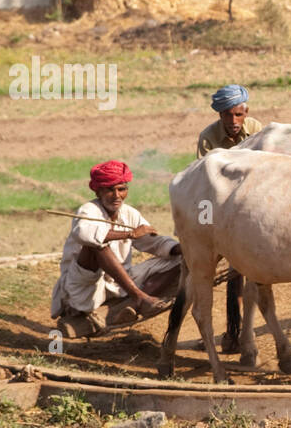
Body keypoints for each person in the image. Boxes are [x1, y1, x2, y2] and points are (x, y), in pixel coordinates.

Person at [51, 160, 183, 339]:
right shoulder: (88, 210)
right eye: (109, 190)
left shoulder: (130, 213)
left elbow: (155, 243)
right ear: (98, 191)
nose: (116, 195)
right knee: (97, 246)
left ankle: (129, 306)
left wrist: (184, 249)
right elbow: (84, 234)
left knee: (179, 259)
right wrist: (130, 234)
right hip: (84, 287)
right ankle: (140, 299)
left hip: (119, 284)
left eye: (122, 189)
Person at [196, 83, 263, 157]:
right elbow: (203, 166)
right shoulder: (207, 137)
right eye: (228, 115)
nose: (233, 121)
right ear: (221, 115)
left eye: (238, 115)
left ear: (246, 112)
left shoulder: (255, 128)